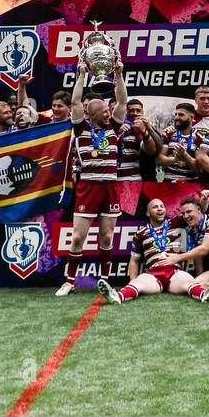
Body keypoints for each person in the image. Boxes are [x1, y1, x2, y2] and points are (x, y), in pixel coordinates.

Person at [57, 47, 129, 296]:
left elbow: (122, 101)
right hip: (88, 186)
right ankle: (69, 280)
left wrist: (118, 74)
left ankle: (105, 279)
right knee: (78, 238)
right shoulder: (81, 129)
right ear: (93, 114)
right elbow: (75, 101)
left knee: (107, 237)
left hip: (110, 185)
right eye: (104, 112)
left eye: (108, 111)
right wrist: (81, 74)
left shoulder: (114, 127)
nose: (109, 113)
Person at [96, 197, 209, 304]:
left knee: (189, 282)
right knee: (137, 284)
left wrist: (204, 200)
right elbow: (134, 261)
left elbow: (197, 212)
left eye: (162, 206)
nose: (159, 209)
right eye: (155, 207)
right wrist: (133, 280)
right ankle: (116, 296)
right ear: (148, 213)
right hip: (153, 273)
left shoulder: (176, 222)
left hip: (174, 272)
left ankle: (205, 295)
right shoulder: (140, 234)